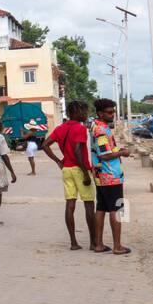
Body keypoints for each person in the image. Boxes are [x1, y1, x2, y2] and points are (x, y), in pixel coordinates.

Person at [43, 101, 97, 250]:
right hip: (79, 169)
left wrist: (58, 161)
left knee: (70, 204)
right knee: (89, 204)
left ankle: (73, 242)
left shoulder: (60, 128)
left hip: (66, 169)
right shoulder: (80, 128)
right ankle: (93, 242)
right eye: (84, 111)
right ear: (76, 112)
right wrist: (86, 173)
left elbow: (45, 144)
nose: (86, 114)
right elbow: (78, 151)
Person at [90, 98, 131, 255]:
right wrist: (122, 153)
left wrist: (116, 149)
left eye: (113, 111)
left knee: (101, 208)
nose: (112, 114)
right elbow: (105, 154)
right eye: (109, 112)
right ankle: (117, 246)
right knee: (117, 208)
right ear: (100, 113)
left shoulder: (97, 127)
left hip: (101, 175)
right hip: (110, 175)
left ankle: (99, 244)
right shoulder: (101, 130)